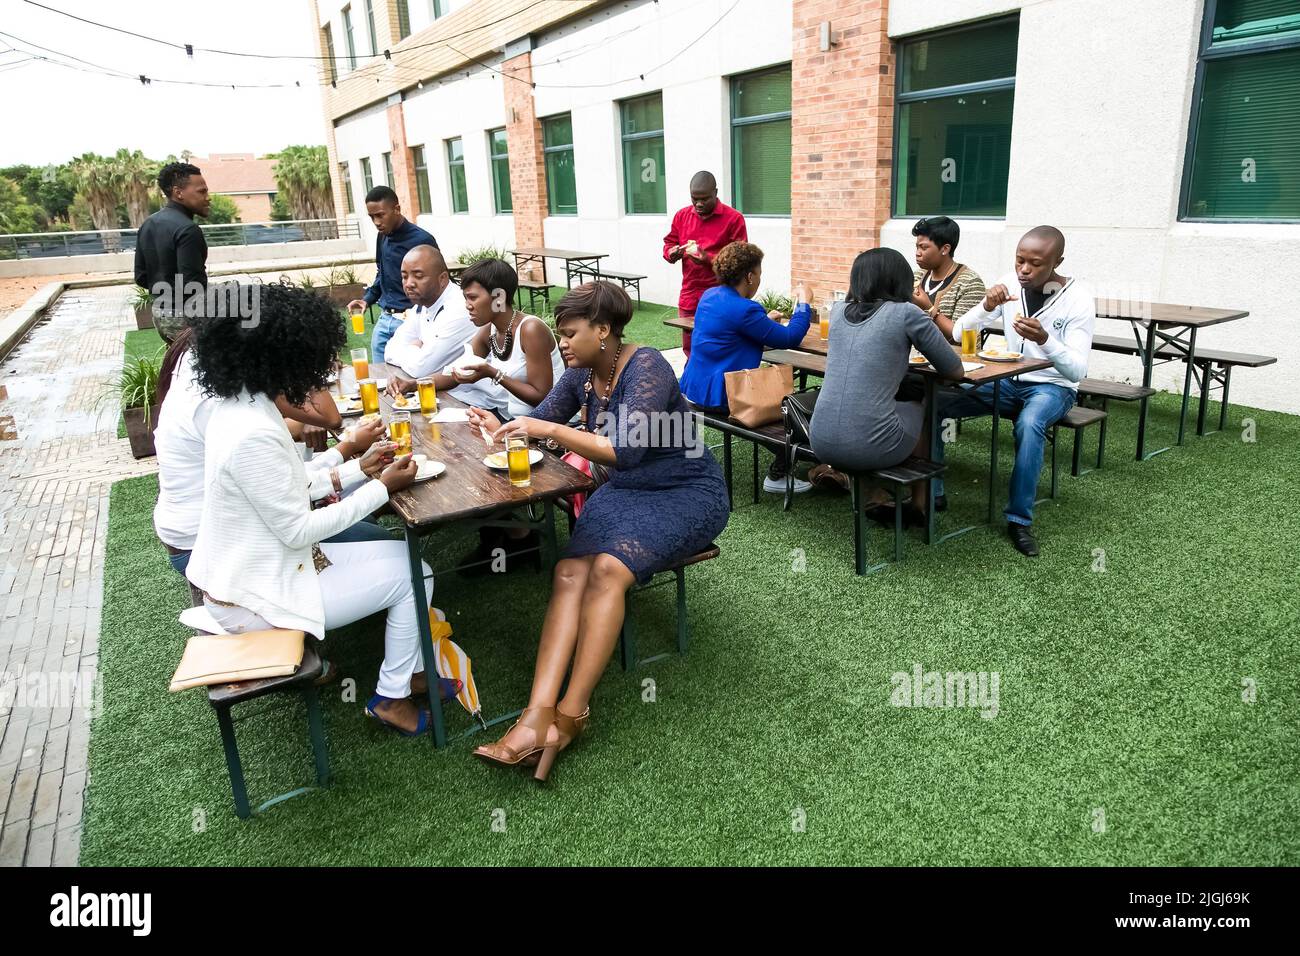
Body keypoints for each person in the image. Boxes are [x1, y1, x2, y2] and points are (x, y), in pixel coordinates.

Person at [466, 282, 729, 781]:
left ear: (603, 331)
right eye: (561, 335)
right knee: (568, 571)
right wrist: (499, 425)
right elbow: (541, 419)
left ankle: (572, 713)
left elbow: (625, 450)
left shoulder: (647, 365)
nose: (561, 343)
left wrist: (547, 433)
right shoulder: (583, 375)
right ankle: (535, 716)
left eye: (570, 334)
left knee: (607, 572)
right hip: (627, 492)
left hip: (686, 490)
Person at [185, 284, 448, 735]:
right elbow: (298, 531)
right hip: (257, 595)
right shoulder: (252, 431)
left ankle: (409, 672)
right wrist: (380, 488)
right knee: (416, 575)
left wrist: (357, 467)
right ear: (285, 354)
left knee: (411, 564)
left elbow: (287, 487)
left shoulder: (242, 405)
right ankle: (392, 697)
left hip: (263, 569)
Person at [941, 225, 1095, 557]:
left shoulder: (1079, 299)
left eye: (1035, 263)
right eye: (1019, 261)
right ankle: (933, 491)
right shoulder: (1010, 285)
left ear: (1057, 261)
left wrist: (1045, 340)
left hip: (1053, 388)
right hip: (1008, 382)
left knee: (1030, 424)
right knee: (936, 404)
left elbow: (1077, 371)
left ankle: (1018, 520)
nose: (1024, 270)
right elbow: (958, 333)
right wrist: (984, 305)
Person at [808, 248, 965, 522]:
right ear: (901, 280)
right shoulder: (906, 313)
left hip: (820, 440)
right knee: (922, 400)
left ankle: (875, 494)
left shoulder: (837, 311)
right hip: (869, 447)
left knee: (879, 404)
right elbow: (954, 370)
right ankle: (921, 502)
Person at [680, 241, 814, 494]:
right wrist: (804, 303)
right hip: (725, 398)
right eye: (760, 274)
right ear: (750, 276)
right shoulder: (745, 309)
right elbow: (789, 339)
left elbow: (730, 333)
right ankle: (779, 475)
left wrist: (763, 321)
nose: (759, 280)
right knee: (795, 409)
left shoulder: (710, 296)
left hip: (694, 390)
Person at [345, 185, 438, 364]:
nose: (376, 222)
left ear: (396, 209)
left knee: (407, 381)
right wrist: (367, 300)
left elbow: (436, 284)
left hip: (411, 321)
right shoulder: (382, 236)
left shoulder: (422, 240)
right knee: (380, 379)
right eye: (372, 217)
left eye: (381, 215)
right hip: (384, 319)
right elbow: (382, 273)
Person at [662, 171, 747, 358]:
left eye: (704, 199)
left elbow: (741, 261)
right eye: (694, 199)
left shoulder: (733, 219)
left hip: (721, 294)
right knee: (690, 348)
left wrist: (708, 260)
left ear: (715, 193)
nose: (699, 204)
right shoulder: (682, 216)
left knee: (718, 347)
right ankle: (691, 385)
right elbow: (669, 244)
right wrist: (671, 252)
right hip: (690, 294)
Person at [135, 162, 210, 341]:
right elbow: (193, 285)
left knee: (176, 366)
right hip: (186, 318)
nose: (208, 197)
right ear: (178, 193)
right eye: (202, 191)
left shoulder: (149, 224)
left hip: (160, 315)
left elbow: (141, 276)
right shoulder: (188, 230)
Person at [382, 245, 475, 388]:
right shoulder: (423, 303)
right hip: (445, 393)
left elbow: (421, 369)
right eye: (404, 277)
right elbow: (389, 350)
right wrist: (417, 349)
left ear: (443, 279)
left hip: (474, 399)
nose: (409, 284)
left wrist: (412, 347)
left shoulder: (459, 308)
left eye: (418, 276)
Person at [909, 216, 986, 339]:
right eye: (917, 247)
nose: (918, 253)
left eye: (924, 248)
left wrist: (929, 308)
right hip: (914, 357)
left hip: (953, 356)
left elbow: (962, 336)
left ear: (945, 249)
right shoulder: (917, 277)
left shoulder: (970, 283)